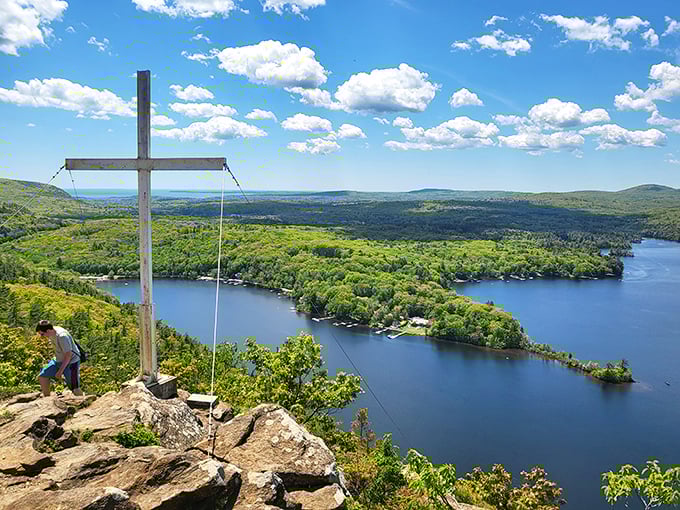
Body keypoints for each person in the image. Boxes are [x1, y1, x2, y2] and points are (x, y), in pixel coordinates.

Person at [36, 320, 83, 397]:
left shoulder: (62, 336)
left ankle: (84, 403)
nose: (42, 336)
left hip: (72, 363)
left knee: (75, 388)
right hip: (58, 359)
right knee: (42, 376)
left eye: (42, 334)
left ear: (48, 330)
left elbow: (68, 355)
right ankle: (47, 399)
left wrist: (60, 371)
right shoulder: (52, 331)